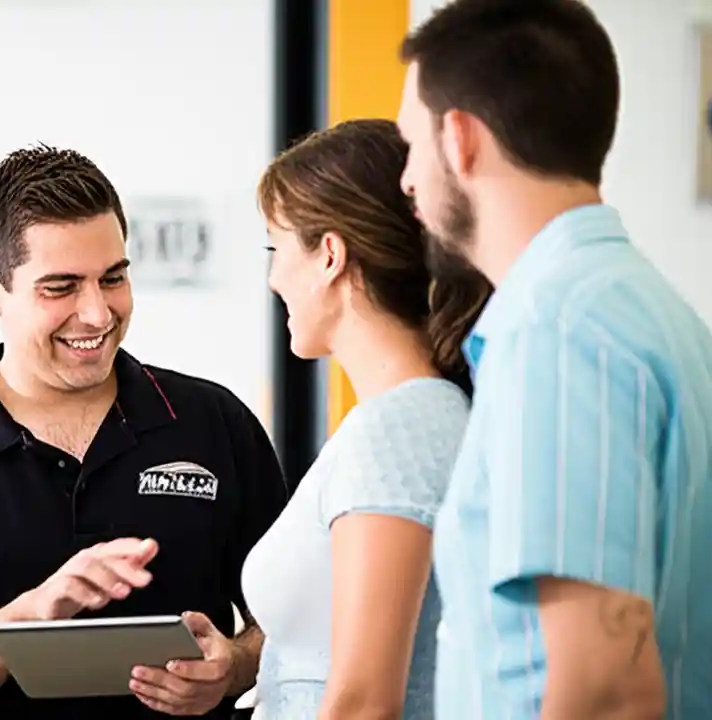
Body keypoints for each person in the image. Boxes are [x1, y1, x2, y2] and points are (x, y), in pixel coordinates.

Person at [395, 1, 712, 718]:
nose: (406, 183)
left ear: (459, 139)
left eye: (409, 147)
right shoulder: (655, 314)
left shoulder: (555, 329)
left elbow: (607, 688)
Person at [0, 145, 288, 720]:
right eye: (61, 287)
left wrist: (231, 664)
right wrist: (31, 615)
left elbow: (293, 628)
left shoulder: (214, 425)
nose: (98, 314)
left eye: (113, 278)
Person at [239, 119, 492, 719]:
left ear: (329, 255)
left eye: (277, 248)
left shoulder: (399, 430)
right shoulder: (413, 416)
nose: (274, 277)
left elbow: (362, 705)